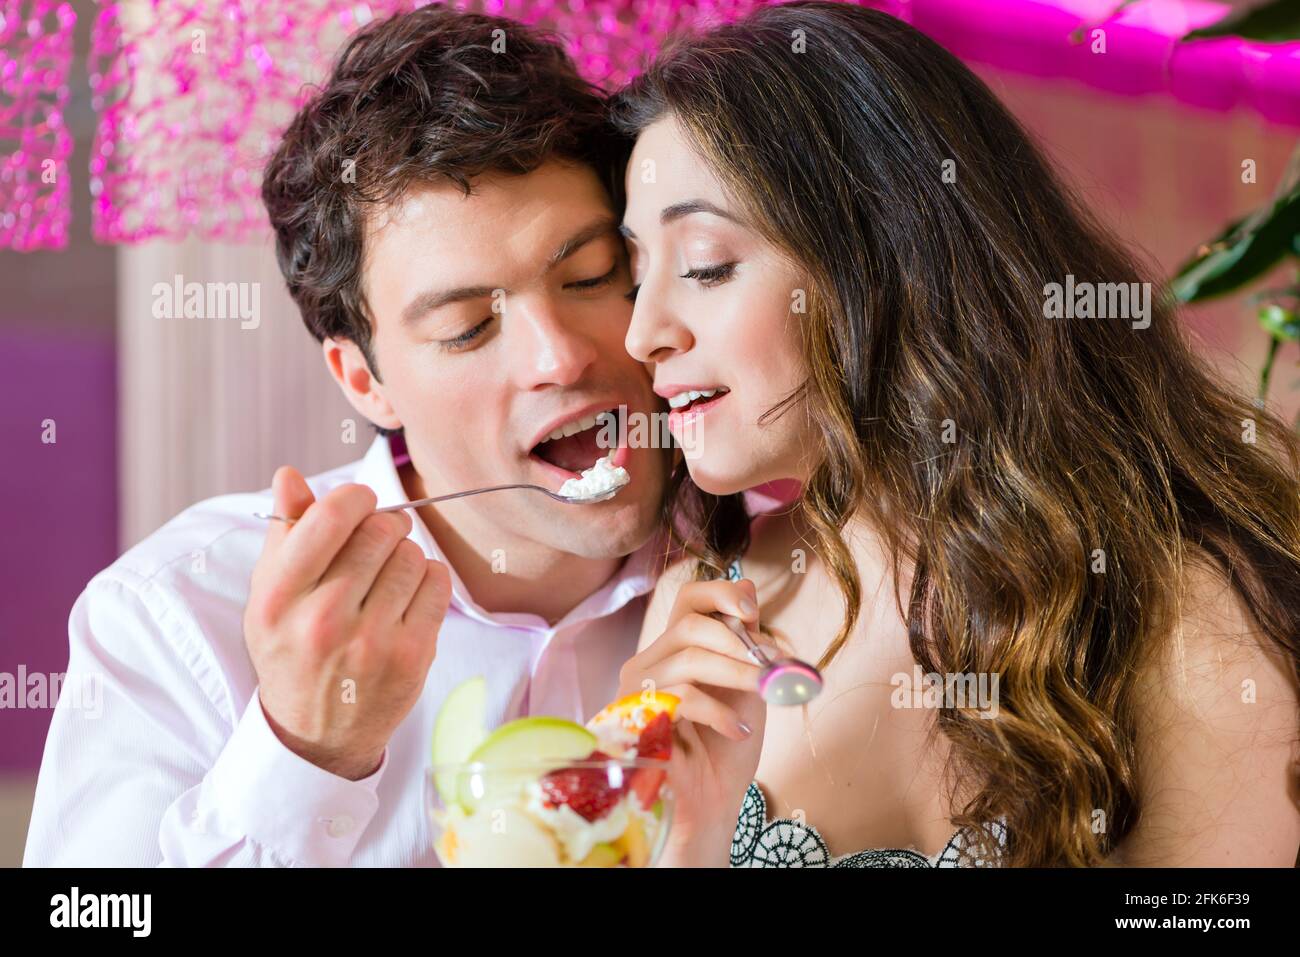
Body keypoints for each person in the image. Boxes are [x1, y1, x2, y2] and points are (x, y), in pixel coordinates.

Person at [611, 1, 1300, 867]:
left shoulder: (1176, 604)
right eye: (636, 276)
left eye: (706, 263)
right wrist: (681, 838)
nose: (643, 334)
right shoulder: (700, 615)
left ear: (887, 253)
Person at [23, 5, 684, 867]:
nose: (559, 356)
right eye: (466, 327)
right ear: (364, 380)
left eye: (593, 275)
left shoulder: (804, 562)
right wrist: (307, 750)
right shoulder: (170, 616)